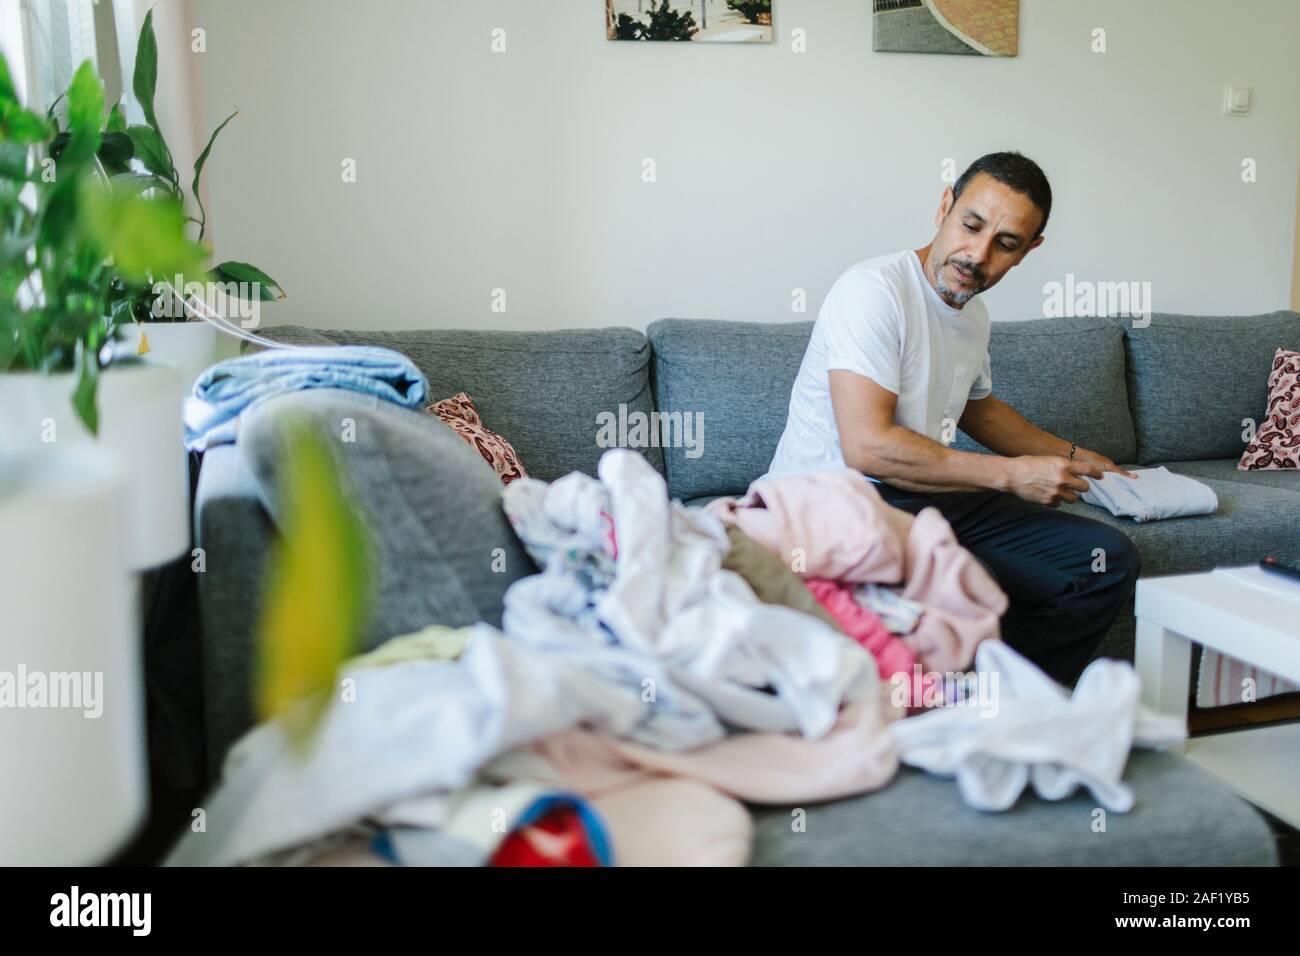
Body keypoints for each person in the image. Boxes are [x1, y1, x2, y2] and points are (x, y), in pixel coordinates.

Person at [767, 151, 1139, 686]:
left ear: (1028, 252)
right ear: (945, 204)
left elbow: (978, 409)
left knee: (1106, 559)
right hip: (836, 496)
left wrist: (1081, 461)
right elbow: (868, 446)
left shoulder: (972, 313)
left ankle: (1009, 701)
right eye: (971, 225)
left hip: (919, 492)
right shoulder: (873, 291)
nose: (977, 254)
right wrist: (1014, 475)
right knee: (969, 581)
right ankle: (981, 705)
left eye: (1006, 243)